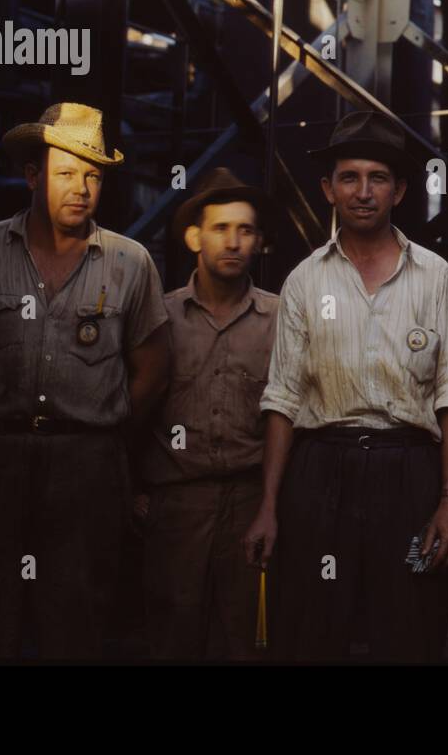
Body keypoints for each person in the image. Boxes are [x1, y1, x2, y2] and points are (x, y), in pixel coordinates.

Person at [0, 102, 170, 658]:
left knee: (76, 618)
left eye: (92, 175)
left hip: (87, 467)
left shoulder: (130, 263)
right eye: (64, 172)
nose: (80, 188)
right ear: (33, 175)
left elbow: (152, 366)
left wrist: (111, 431)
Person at [243, 112, 448, 662]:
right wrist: (270, 506)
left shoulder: (434, 275)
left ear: (400, 190)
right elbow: (282, 399)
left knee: (412, 630)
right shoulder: (305, 279)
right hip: (322, 471)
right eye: (349, 177)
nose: (363, 192)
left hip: (409, 471)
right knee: (310, 631)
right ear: (328, 189)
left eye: (378, 178)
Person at [137, 168, 277, 659]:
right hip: (177, 504)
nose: (234, 242)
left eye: (245, 230)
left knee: (245, 641)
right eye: (220, 229)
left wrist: (274, 505)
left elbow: (296, 417)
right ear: (194, 236)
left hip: (251, 500)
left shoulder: (282, 320)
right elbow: (129, 408)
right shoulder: (159, 317)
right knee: (172, 637)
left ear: (259, 241)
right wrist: (136, 490)